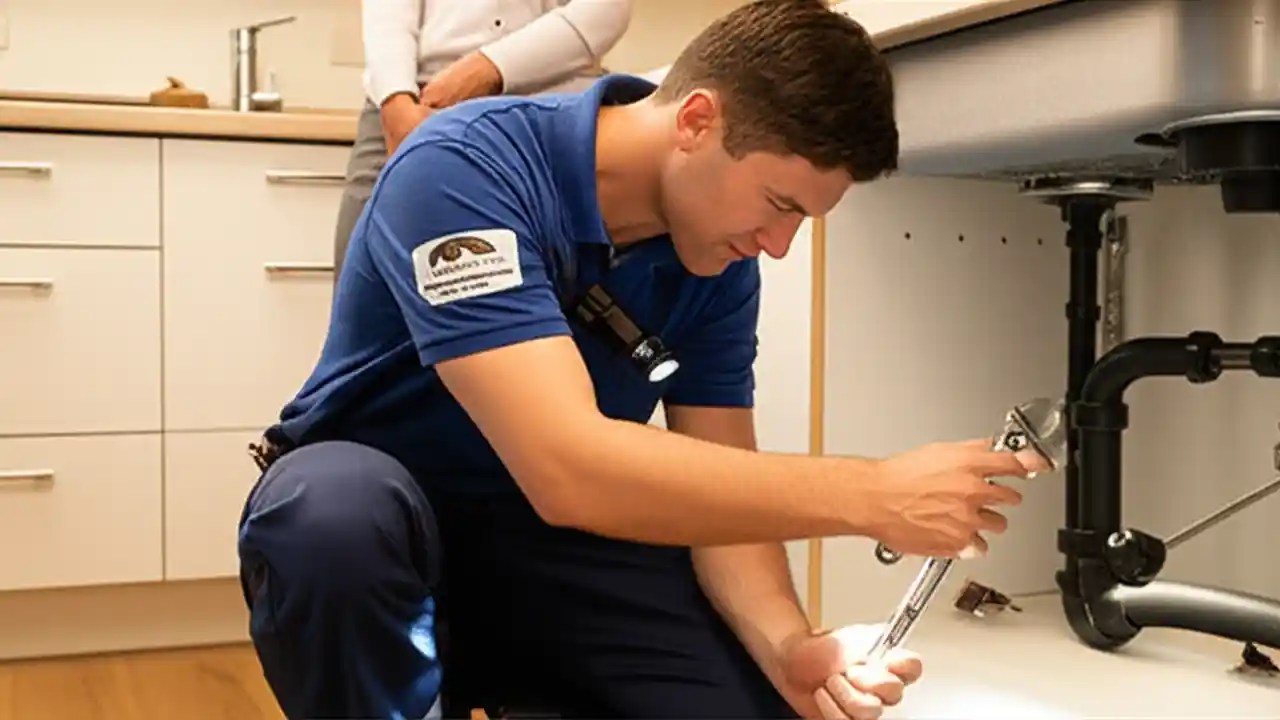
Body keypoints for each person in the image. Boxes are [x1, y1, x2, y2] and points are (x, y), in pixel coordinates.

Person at [237, 1, 1033, 719]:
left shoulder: (719, 265)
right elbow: (567, 465)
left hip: (547, 550)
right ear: (695, 122)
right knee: (330, 518)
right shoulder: (466, 167)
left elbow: (721, 490)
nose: (779, 246)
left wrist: (790, 648)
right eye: (779, 205)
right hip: (383, 528)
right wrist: (872, 493)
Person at [333, 0, 635, 278]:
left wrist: (487, 69)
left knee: (537, 297)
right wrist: (395, 97)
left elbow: (605, 10)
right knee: (368, 293)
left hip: (543, 110)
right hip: (410, 106)